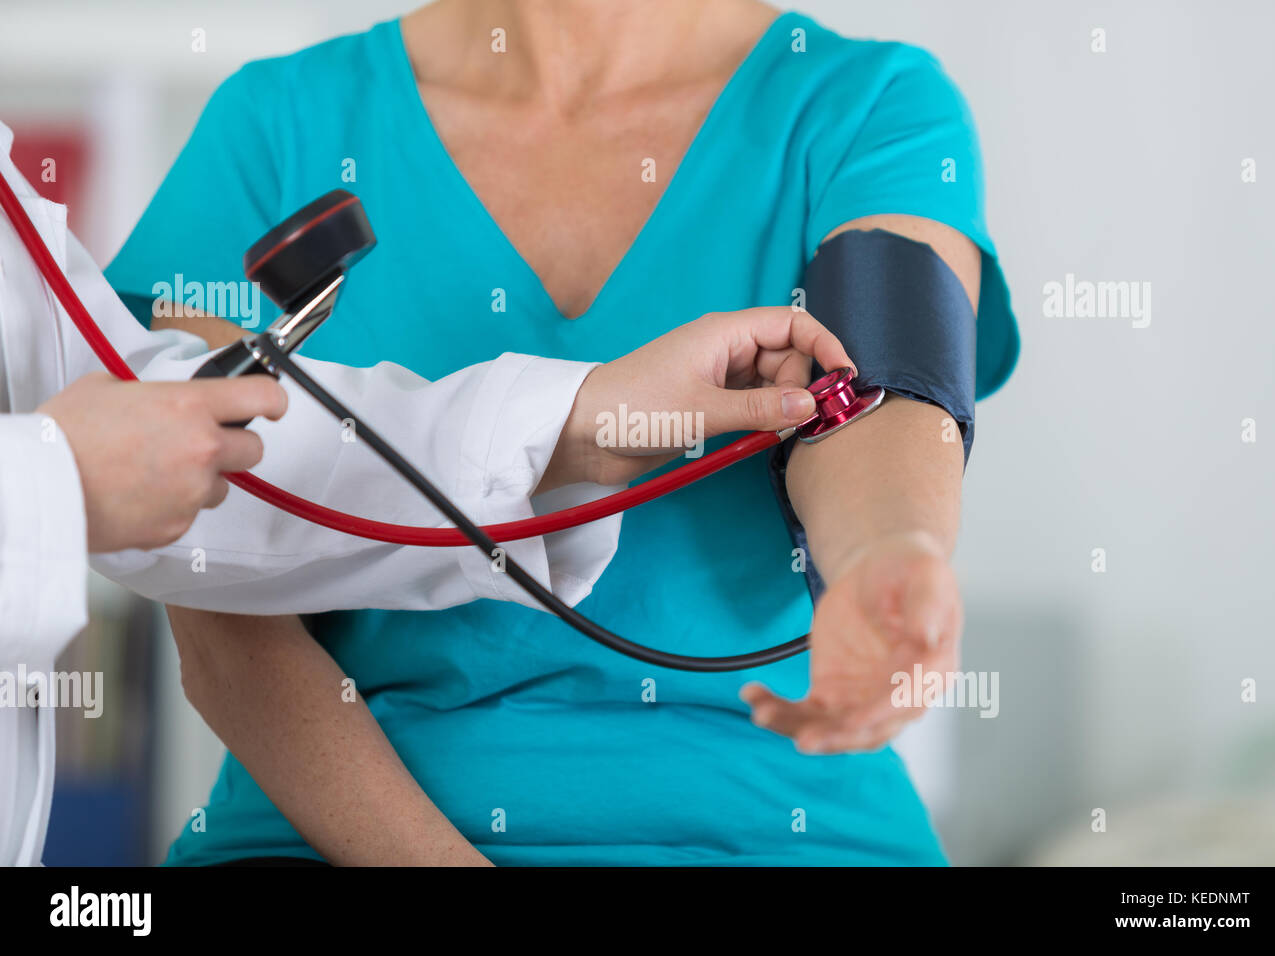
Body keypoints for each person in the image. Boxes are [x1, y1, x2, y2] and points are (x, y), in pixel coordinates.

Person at [106, 0, 1019, 865]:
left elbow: (881, 403)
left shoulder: (869, 104)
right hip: (339, 837)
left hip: (780, 828)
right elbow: (209, 587)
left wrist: (888, 554)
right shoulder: (280, 123)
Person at [0, 120, 850, 865]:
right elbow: (100, 459)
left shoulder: (852, 101)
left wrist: (580, 420)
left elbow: (146, 423)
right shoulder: (283, 112)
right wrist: (51, 480)